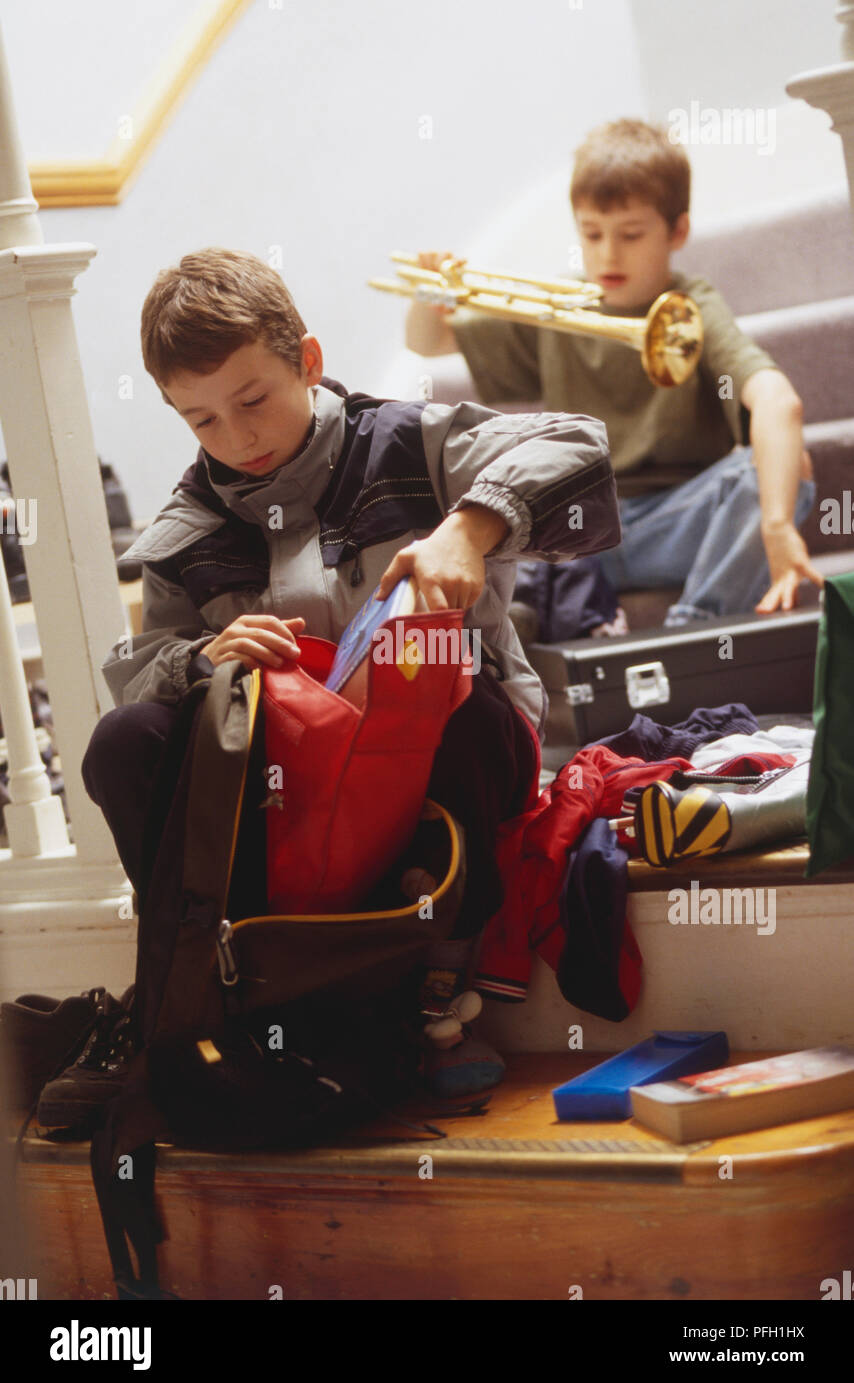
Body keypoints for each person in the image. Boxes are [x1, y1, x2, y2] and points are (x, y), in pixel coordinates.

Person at [64, 246, 620, 1110]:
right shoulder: (183, 529)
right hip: (289, 809)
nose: (237, 436)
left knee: (453, 680)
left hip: (437, 785)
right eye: (202, 420)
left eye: (253, 399)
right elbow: (137, 674)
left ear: (309, 361)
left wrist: (468, 529)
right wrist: (203, 662)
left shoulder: (411, 440)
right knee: (126, 738)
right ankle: (232, 984)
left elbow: (577, 446)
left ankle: (433, 999)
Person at [405, 118, 822, 633]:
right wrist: (429, 295)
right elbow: (429, 342)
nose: (608, 254)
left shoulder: (694, 305)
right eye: (592, 233)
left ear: (678, 231)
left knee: (787, 463)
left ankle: (693, 632)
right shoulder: (558, 308)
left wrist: (777, 524)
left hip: (674, 524)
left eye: (630, 234)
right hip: (576, 531)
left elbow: (781, 404)